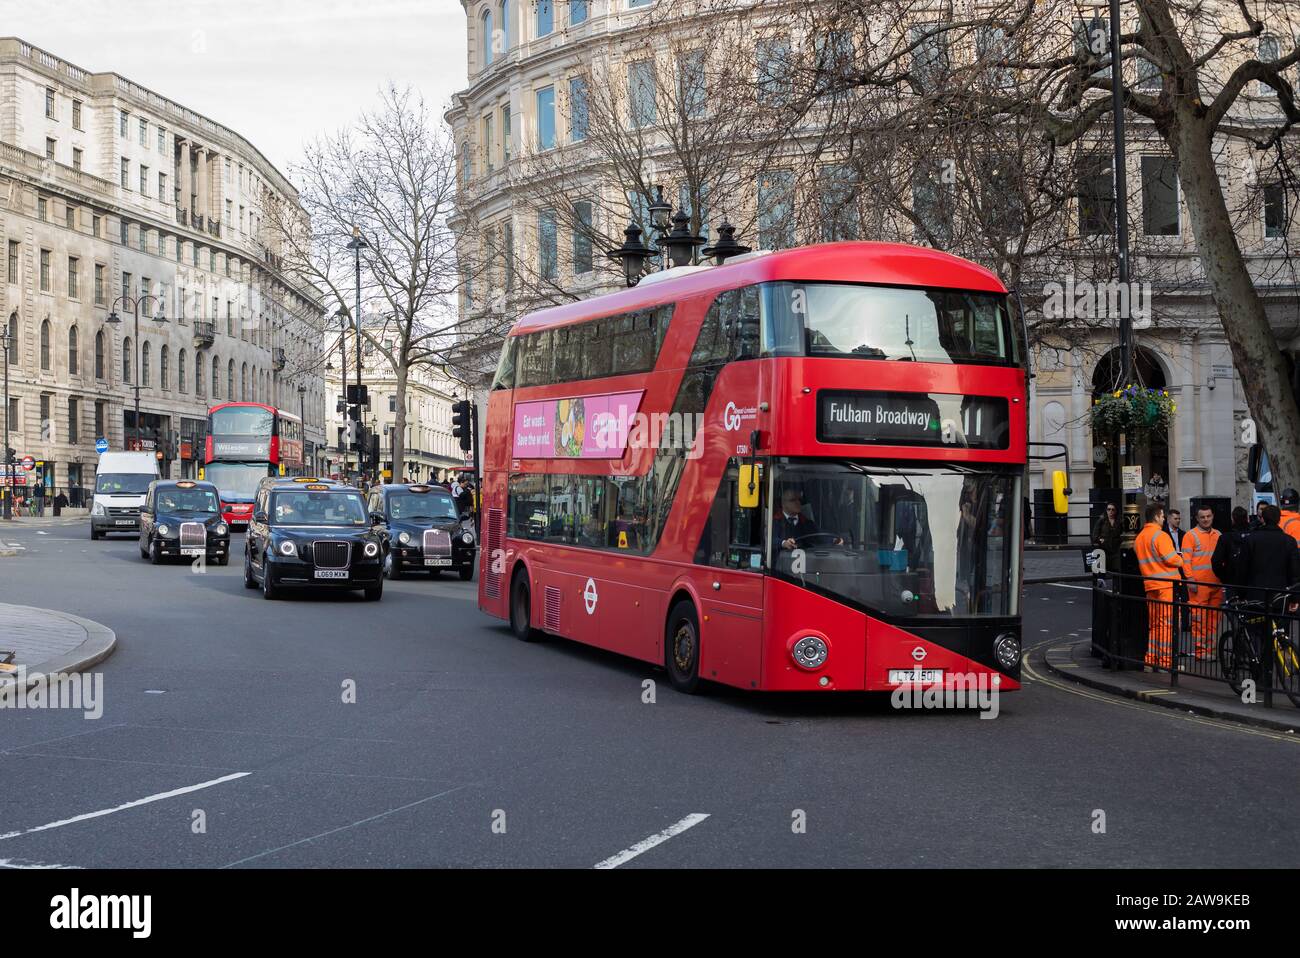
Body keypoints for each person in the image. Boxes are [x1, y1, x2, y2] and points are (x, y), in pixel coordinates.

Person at [1134, 502, 1184, 669]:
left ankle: (1150, 660)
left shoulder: (1140, 537)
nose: (1163, 519)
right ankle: (1166, 663)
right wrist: (1181, 559)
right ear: (1156, 516)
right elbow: (1172, 559)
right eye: (1162, 516)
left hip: (1150, 585)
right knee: (1167, 625)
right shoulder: (1161, 536)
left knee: (1154, 624)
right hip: (1166, 586)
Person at [1182, 505, 1223, 659]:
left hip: (1216, 584)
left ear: (1212, 516)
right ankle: (1201, 652)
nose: (1206, 519)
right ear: (1197, 518)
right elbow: (1185, 560)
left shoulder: (1218, 534)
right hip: (1198, 585)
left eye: (1208, 516)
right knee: (1199, 620)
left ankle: (1210, 651)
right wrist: (1190, 579)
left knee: (1213, 620)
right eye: (1202, 517)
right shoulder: (1190, 536)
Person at [1241, 504, 1300, 606]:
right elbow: (1294, 573)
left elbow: (1242, 569)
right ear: (1279, 520)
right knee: (1280, 620)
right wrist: (1295, 598)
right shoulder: (1289, 541)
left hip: (1255, 595)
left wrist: (1241, 594)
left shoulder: (1250, 539)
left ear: (1263, 518)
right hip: (1281, 595)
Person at [1211, 506, 1252, 595]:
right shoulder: (1254, 536)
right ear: (1247, 518)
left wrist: (1225, 577)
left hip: (1232, 581)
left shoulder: (1225, 538)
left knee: (1233, 606)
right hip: (1251, 581)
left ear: (1233, 519)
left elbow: (1216, 561)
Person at [1091, 502, 1122, 573]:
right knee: (1102, 570)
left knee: (1116, 569)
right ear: (1106, 510)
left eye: (1113, 510)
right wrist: (1099, 540)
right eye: (1109, 509)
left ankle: (1116, 583)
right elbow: (1095, 535)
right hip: (1104, 548)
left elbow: (1122, 534)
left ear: (1116, 511)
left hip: (1115, 549)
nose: (1110, 511)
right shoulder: (1101, 521)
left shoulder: (1119, 522)